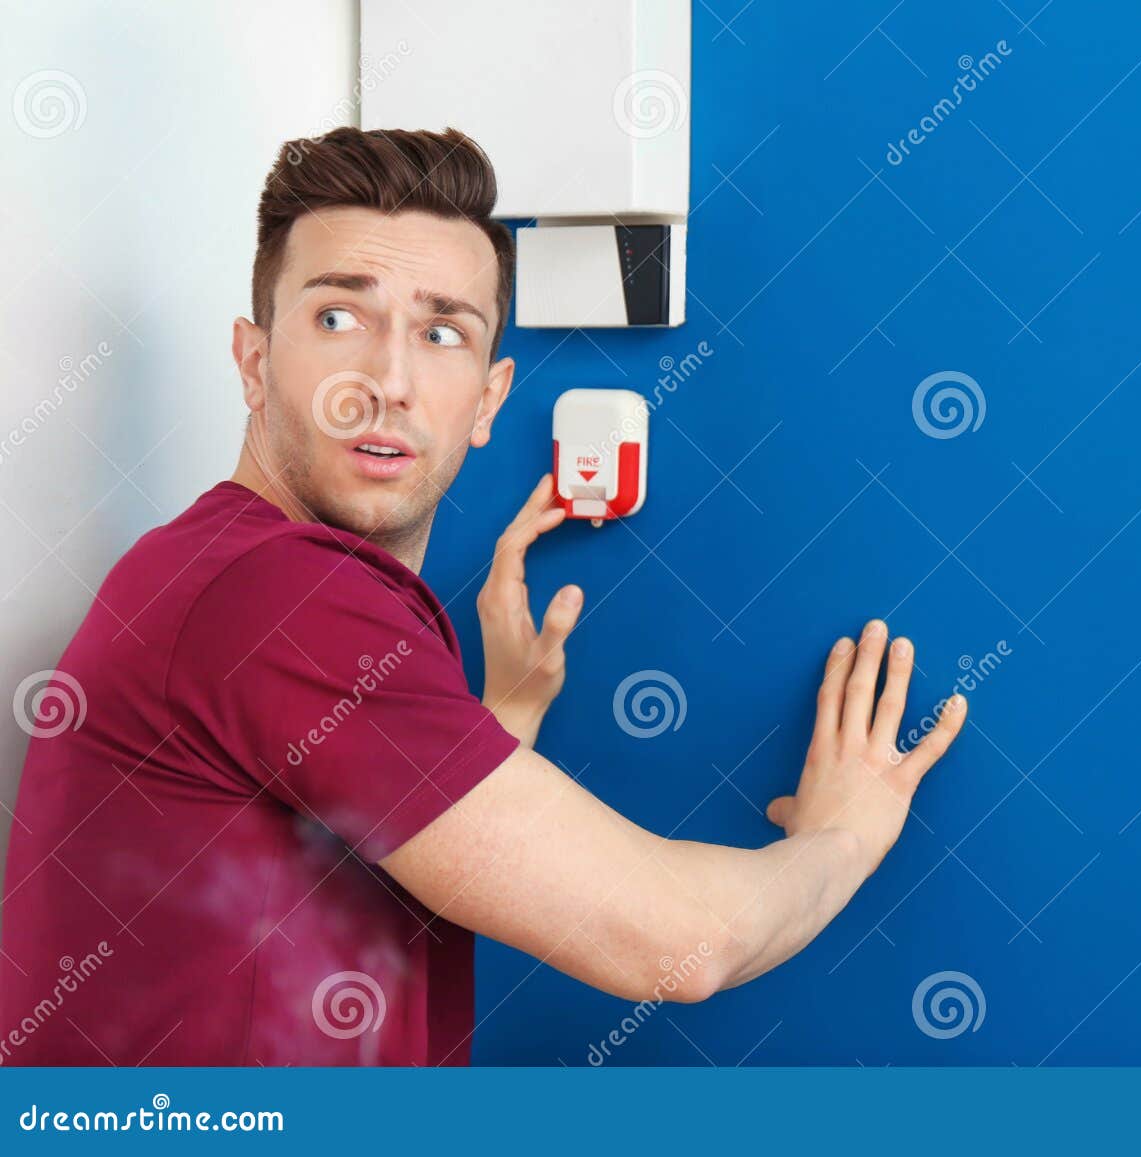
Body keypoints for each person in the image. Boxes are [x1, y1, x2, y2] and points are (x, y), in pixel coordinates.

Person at [0, 127, 966, 1065]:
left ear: (491, 397)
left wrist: (495, 717)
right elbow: (681, 942)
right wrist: (846, 832)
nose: (387, 380)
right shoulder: (277, 596)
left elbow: (357, 859)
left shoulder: (220, 569)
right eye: (339, 317)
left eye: (441, 331)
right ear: (253, 361)